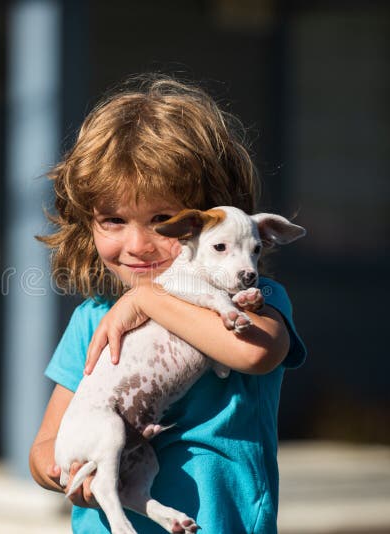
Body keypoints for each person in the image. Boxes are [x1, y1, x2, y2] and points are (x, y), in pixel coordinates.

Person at [28, 73, 306, 533]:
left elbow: (255, 353)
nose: (136, 244)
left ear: (210, 221)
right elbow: (44, 448)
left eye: (161, 220)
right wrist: (62, 477)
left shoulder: (258, 302)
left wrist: (149, 299)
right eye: (112, 220)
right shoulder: (94, 319)